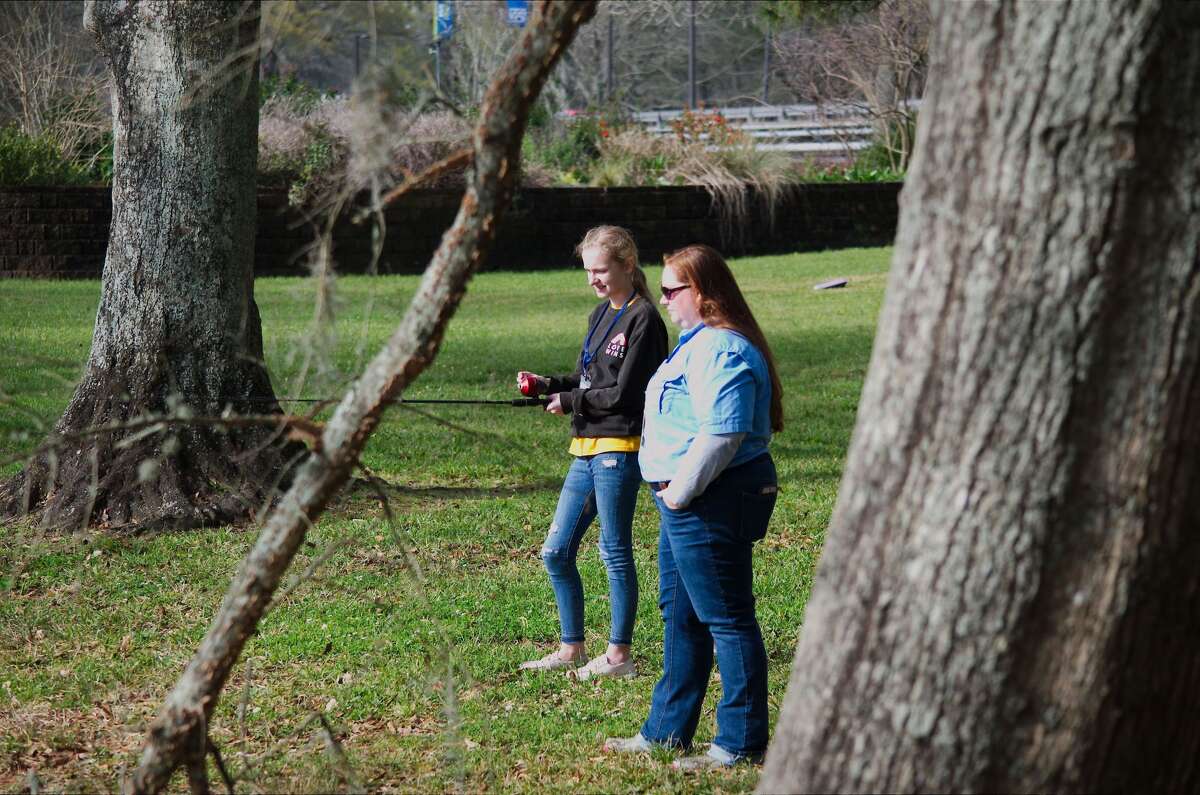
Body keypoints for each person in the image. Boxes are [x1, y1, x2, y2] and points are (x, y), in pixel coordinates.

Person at [604, 244, 783, 770]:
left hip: (709, 497)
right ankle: (665, 732)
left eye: (670, 290)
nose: (661, 300)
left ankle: (740, 743)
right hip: (686, 498)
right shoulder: (696, 343)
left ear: (702, 293)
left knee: (726, 618)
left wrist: (679, 493)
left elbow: (723, 434)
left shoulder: (722, 348)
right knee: (681, 616)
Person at [517, 226, 668, 680]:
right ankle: (572, 648)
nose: (594, 280)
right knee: (556, 551)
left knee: (613, 550)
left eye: (601, 270)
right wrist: (550, 385)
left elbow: (627, 394)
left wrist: (571, 402)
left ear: (627, 264)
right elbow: (590, 380)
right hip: (585, 446)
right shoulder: (600, 314)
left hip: (619, 448)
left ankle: (619, 657)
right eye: (588, 271)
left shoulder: (644, 320)